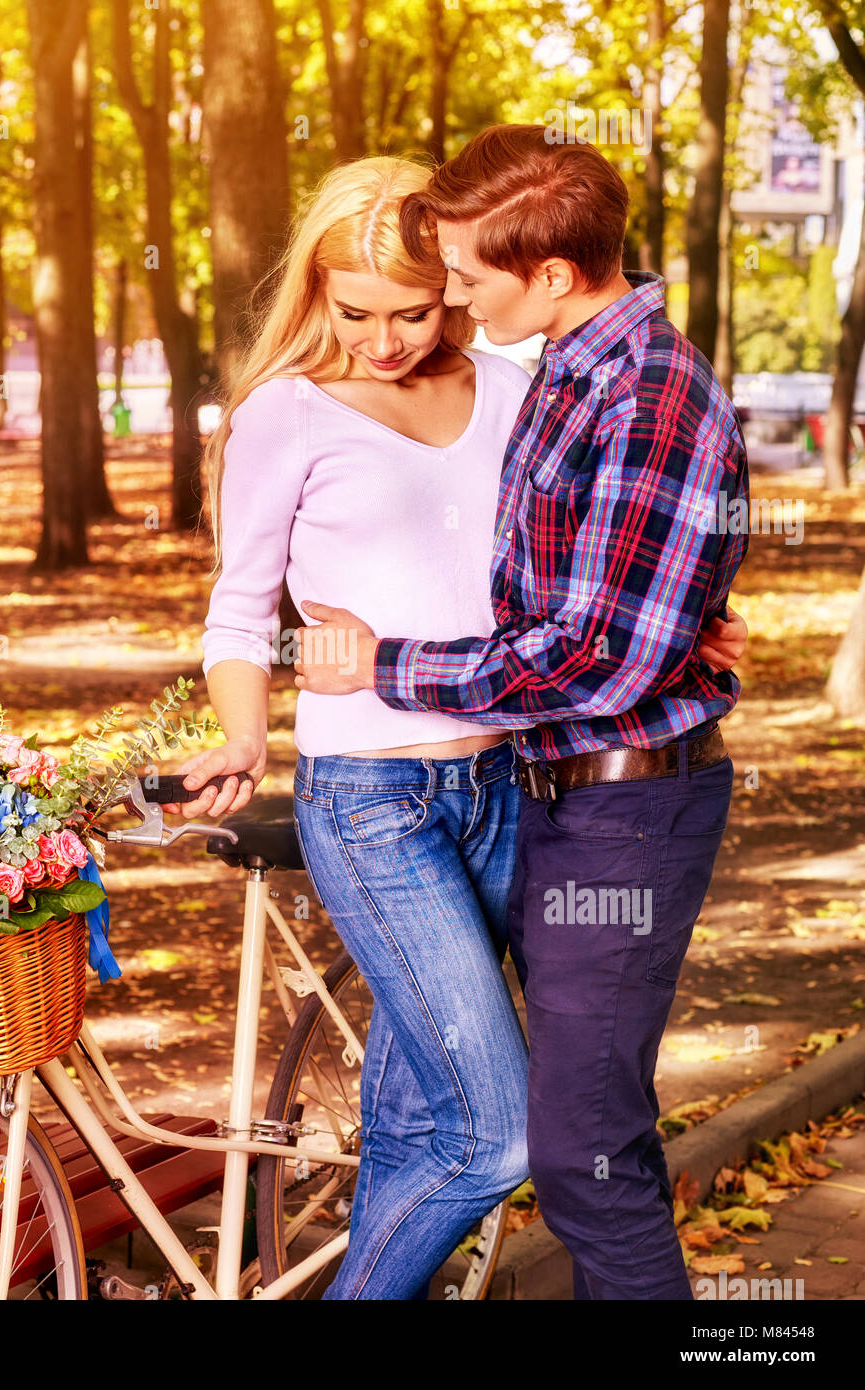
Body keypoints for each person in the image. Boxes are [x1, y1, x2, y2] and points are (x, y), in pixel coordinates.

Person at [167, 154, 745, 1300]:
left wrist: (686, 625)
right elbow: (238, 609)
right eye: (353, 313)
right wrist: (241, 734)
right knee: (489, 1134)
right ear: (315, 296)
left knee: (425, 1127)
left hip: (518, 784)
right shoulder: (284, 413)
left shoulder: (525, 384)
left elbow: (598, 570)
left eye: (414, 308)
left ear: (455, 285)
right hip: (372, 799)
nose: (383, 340)